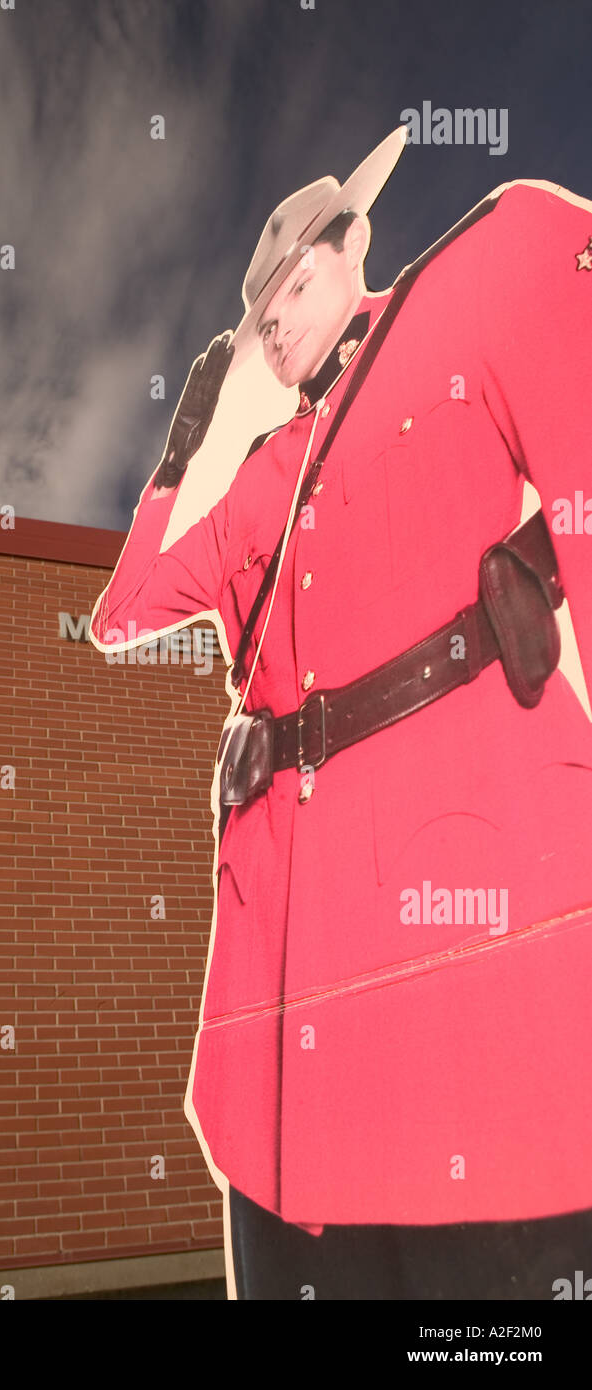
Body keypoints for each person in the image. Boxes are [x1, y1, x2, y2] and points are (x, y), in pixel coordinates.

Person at [89, 127, 592, 1298]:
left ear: (354, 247)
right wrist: (185, 447)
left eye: (295, 287)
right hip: (284, 1009)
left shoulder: (467, 288)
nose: (275, 325)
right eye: (261, 314)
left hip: (477, 959)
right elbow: (125, 610)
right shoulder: (265, 473)